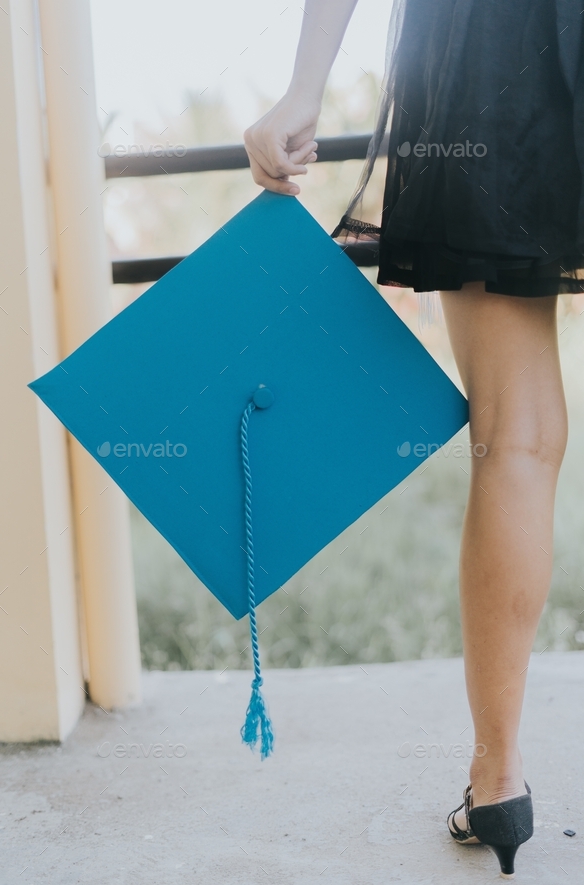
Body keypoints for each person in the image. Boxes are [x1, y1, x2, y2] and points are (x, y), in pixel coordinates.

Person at [244, 0, 583, 878]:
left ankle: (498, 776)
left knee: (518, 434)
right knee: (523, 433)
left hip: (492, 53)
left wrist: (303, 89)